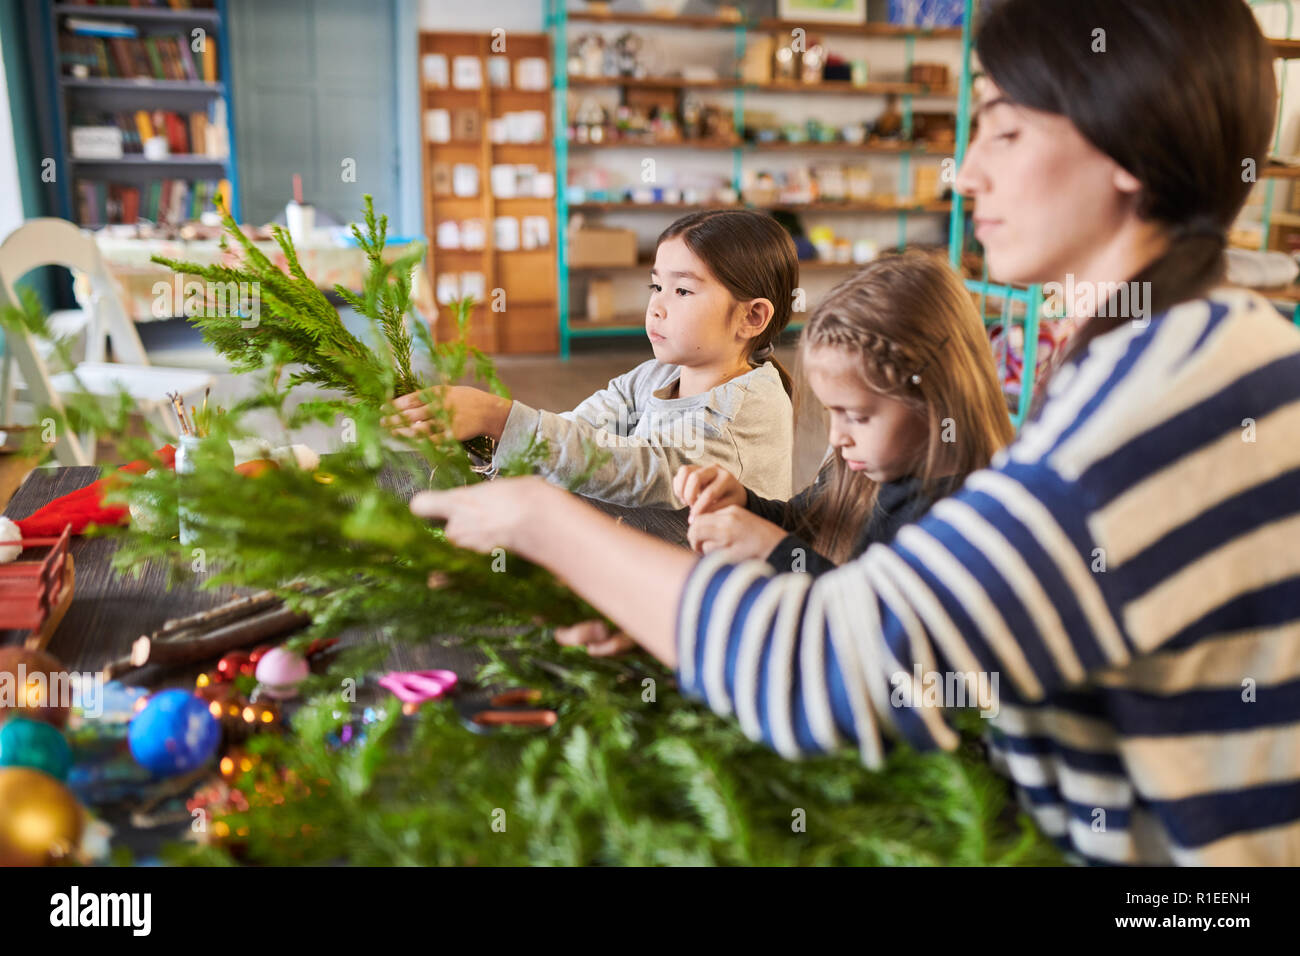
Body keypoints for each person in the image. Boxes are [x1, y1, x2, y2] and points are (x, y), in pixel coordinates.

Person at [411, 0, 1300, 864]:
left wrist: (539, 521)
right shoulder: (1203, 350)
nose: (966, 172)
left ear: (1129, 146)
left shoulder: (1161, 407)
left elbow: (830, 671)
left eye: (1002, 126)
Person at [386, 209, 797, 506]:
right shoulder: (655, 375)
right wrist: (491, 441)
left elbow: (644, 473)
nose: (657, 307)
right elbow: (581, 428)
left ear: (752, 316)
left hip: (698, 590)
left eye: (682, 291)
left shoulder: (746, 406)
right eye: (655, 287)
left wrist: (499, 417)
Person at [676, 251, 1013, 575]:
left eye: (858, 416)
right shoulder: (860, 468)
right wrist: (745, 504)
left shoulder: (957, 520)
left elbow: (865, 613)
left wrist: (772, 549)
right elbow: (802, 522)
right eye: (830, 411)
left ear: (936, 401)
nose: (836, 438)